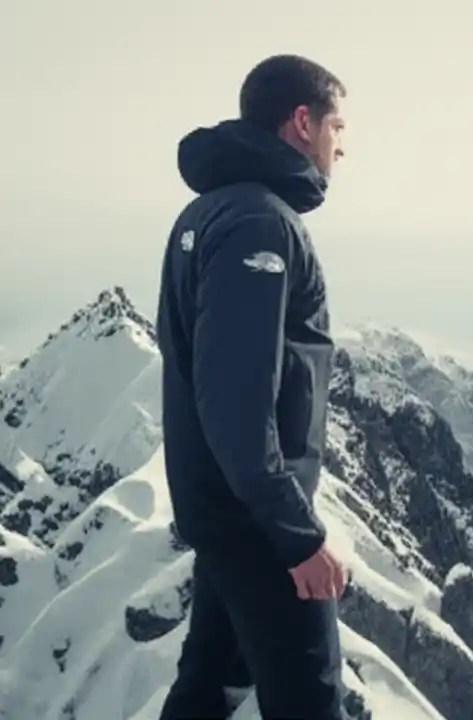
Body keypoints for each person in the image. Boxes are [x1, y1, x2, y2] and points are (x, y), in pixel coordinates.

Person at [155, 54, 352, 720]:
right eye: (336, 127)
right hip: (256, 524)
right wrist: (296, 535)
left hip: (225, 510)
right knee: (310, 700)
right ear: (302, 122)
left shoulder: (207, 212)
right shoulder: (259, 224)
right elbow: (236, 399)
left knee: (209, 684)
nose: (341, 147)